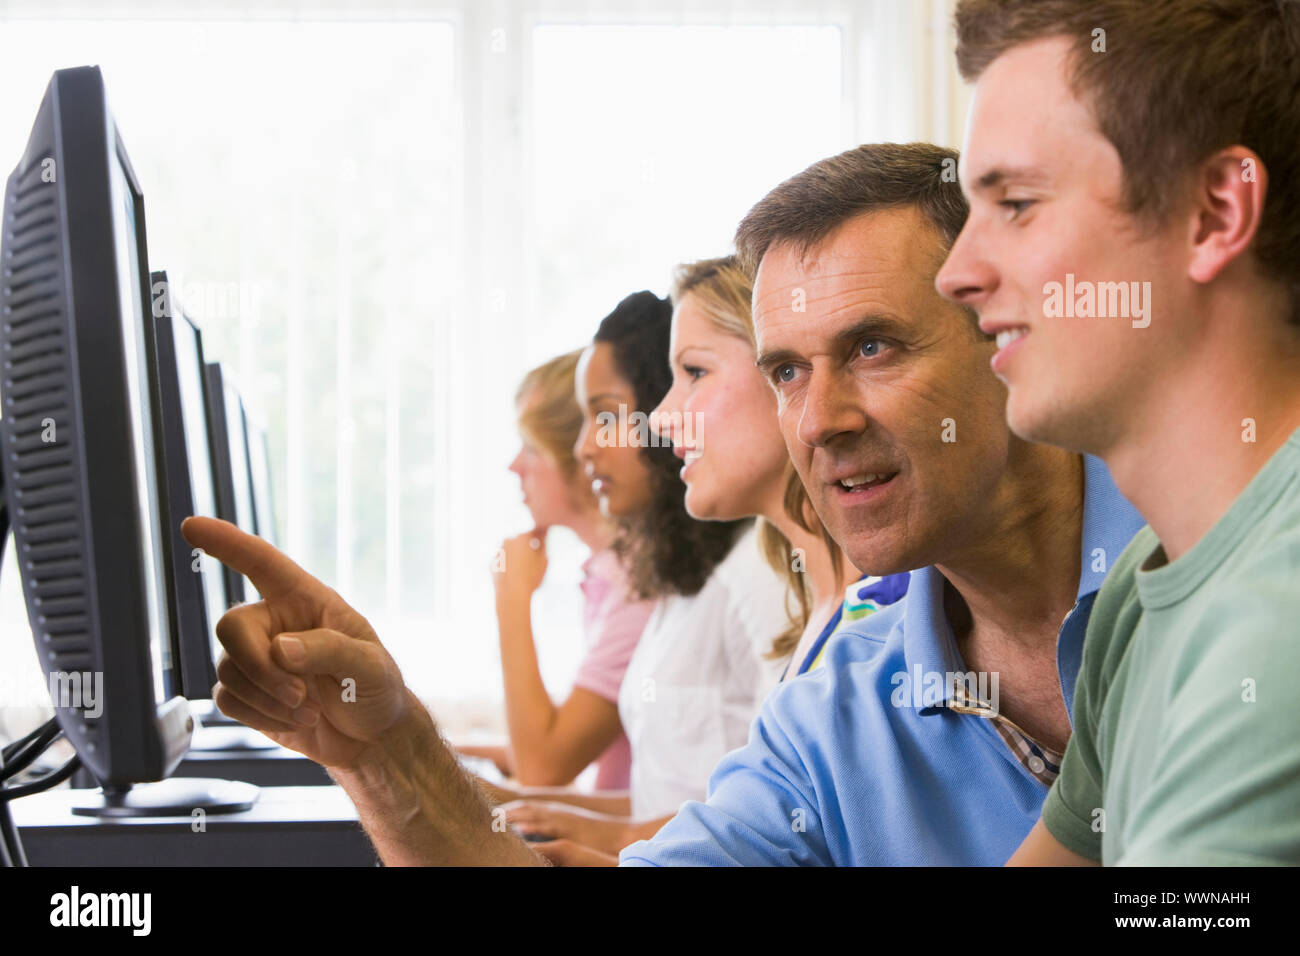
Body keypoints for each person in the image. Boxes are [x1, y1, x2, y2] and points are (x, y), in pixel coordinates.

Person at [181, 143, 1143, 866]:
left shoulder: (1220, 554)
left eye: (874, 348)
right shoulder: (844, 695)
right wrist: (383, 752)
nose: (819, 421)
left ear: (1010, 335)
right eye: (784, 373)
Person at [940, 0, 1300, 865]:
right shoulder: (1138, 600)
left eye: (1017, 203)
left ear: (1214, 213)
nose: (956, 273)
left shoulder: (1277, 632)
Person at [502, 257, 905, 857]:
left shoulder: (868, 605)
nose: (661, 419)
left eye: (695, 372)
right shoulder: (809, 600)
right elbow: (761, 824)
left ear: (781, 375)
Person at [458, 349, 654, 790]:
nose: (514, 466)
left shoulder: (641, 589)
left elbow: (542, 769)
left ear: (581, 454)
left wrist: (511, 598)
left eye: (531, 446)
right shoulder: (609, 574)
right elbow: (567, 743)